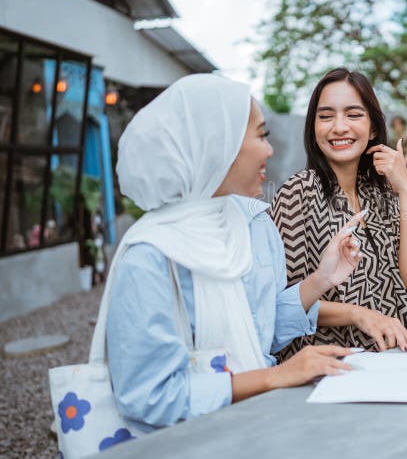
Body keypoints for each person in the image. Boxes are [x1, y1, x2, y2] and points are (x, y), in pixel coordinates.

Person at [105, 74, 363, 432]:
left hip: (260, 425)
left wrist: (322, 279)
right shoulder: (151, 255)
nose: (270, 150)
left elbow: (263, 331)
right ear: (216, 144)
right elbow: (148, 396)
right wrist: (274, 377)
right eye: (260, 135)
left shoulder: (254, 224)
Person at [270, 67, 407, 355]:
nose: (339, 127)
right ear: (313, 127)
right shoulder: (299, 191)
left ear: (371, 128)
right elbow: (284, 302)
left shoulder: (381, 192)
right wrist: (359, 314)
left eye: (353, 115)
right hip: (338, 363)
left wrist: (406, 190)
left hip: (406, 352)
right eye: (326, 116)